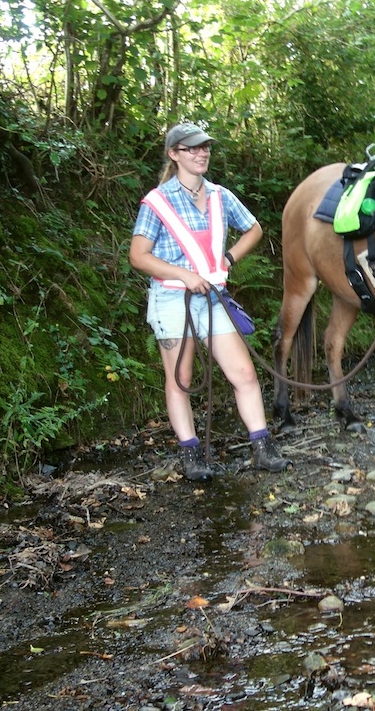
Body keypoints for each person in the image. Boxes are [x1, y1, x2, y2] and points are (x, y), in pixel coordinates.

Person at [129, 122, 289, 482]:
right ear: (174, 155)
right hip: (173, 299)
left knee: (245, 373)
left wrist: (228, 259)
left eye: (205, 148)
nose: (201, 153)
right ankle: (190, 454)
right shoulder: (158, 201)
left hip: (213, 298)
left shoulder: (221, 195)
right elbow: (138, 255)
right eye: (191, 149)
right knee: (181, 377)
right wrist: (185, 275)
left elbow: (254, 228)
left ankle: (262, 448)